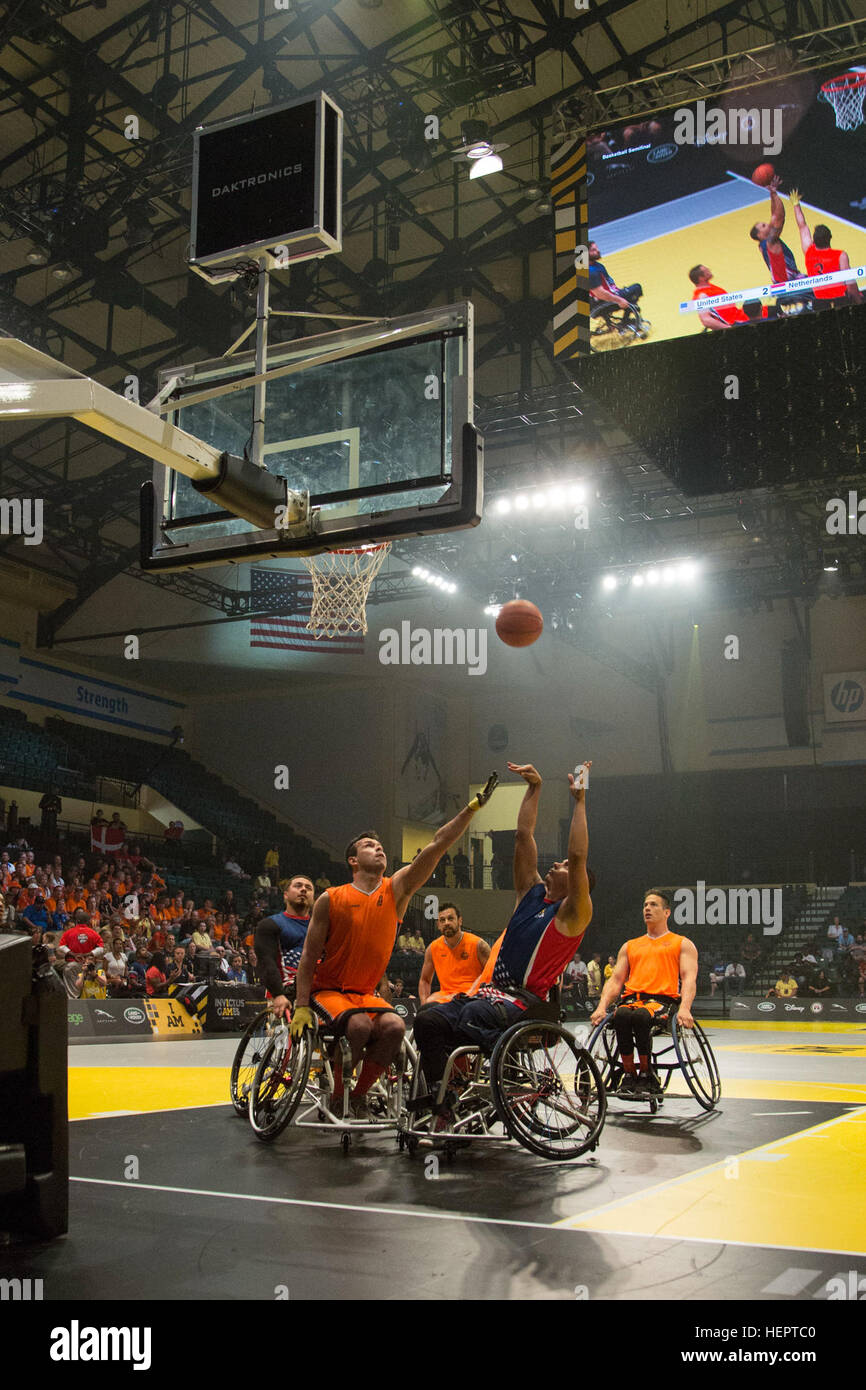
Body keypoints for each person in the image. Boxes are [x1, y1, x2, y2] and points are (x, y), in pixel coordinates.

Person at [290, 774, 500, 1121]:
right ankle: (336, 1094)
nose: (379, 847)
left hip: (363, 993)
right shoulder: (330, 899)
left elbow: (437, 844)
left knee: (394, 1027)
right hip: (327, 990)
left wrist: (471, 809)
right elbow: (310, 956)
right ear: (353, 861)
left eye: (380, 845)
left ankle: (357, 1096)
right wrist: (300, 1005)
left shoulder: (396, 891)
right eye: (369, 845)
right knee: (357, 1027)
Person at [413, 760, 593, 1115]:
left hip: (524, 1003)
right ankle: (442, 1097)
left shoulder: (573, 914)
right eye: (556, 865)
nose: (557, 864)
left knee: (473, 1016)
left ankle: (499, 1077)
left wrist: (580, 802)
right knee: (427, 1019)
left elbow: (578, 855)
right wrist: (534, 790)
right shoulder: (530, 895)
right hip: (487, 996)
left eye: (564, 868)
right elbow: (522, 837)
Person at [591, 890, 698, 1100]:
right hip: (632, 999)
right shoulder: (630, 945)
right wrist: (601, 1007)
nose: (647, 908)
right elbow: (615, 981)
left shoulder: (682, 943)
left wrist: (685, 1008)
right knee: (621, 1016)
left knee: (640, 1017)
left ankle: (647, 1072)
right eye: (645, 905)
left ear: (667, 912)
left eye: (654, 905)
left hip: (662, 1000)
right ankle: (629, 1074)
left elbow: (689, 979)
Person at [789, 189, 863, 306]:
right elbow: (850, 284)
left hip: (820, 303)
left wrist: (796, 205)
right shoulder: (840, 255)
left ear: (814, 240)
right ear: (830, 238)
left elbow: (802, 226)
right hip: (840, 301)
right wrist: (859, 303)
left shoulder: (809, 251)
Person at [254, 875, 315, 1012]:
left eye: (308, 888)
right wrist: (278, 995)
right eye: (298, 886)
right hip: (284, 992)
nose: (304, 890)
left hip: (317, 990)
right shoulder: (269, 924)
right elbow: (266, 961)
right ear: (285, 895)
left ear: (314, 898)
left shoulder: (322, 928)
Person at [417, 903, 490, 1005]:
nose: (446, 923)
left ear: (460, 921)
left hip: (473, 996)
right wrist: (423, 1003)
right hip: (446, 996)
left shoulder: (478, 945)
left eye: (450, 918)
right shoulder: (432, 948)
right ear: (438, 925)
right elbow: (424, 980)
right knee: (427, 1006)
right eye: (442, 920)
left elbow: (491, 976)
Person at [688, 264, 753, 329]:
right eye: (706, 271)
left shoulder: (710, 287)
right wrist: (729, 328)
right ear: (701, 278)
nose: (710, 271)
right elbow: (706, 320)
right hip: (735, 323)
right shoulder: (701, 296)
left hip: (740, 317)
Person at [588, 242, 642, 315]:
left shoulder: (597, 265)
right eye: (593, 250)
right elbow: (600, 294)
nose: (598, 250)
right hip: (602, 302)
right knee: (636, 288)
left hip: (609, 296)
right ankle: (625, 320)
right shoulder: (591, 272)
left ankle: (626, 318)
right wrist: (619, 300)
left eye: (597, 248)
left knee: (632, 292)